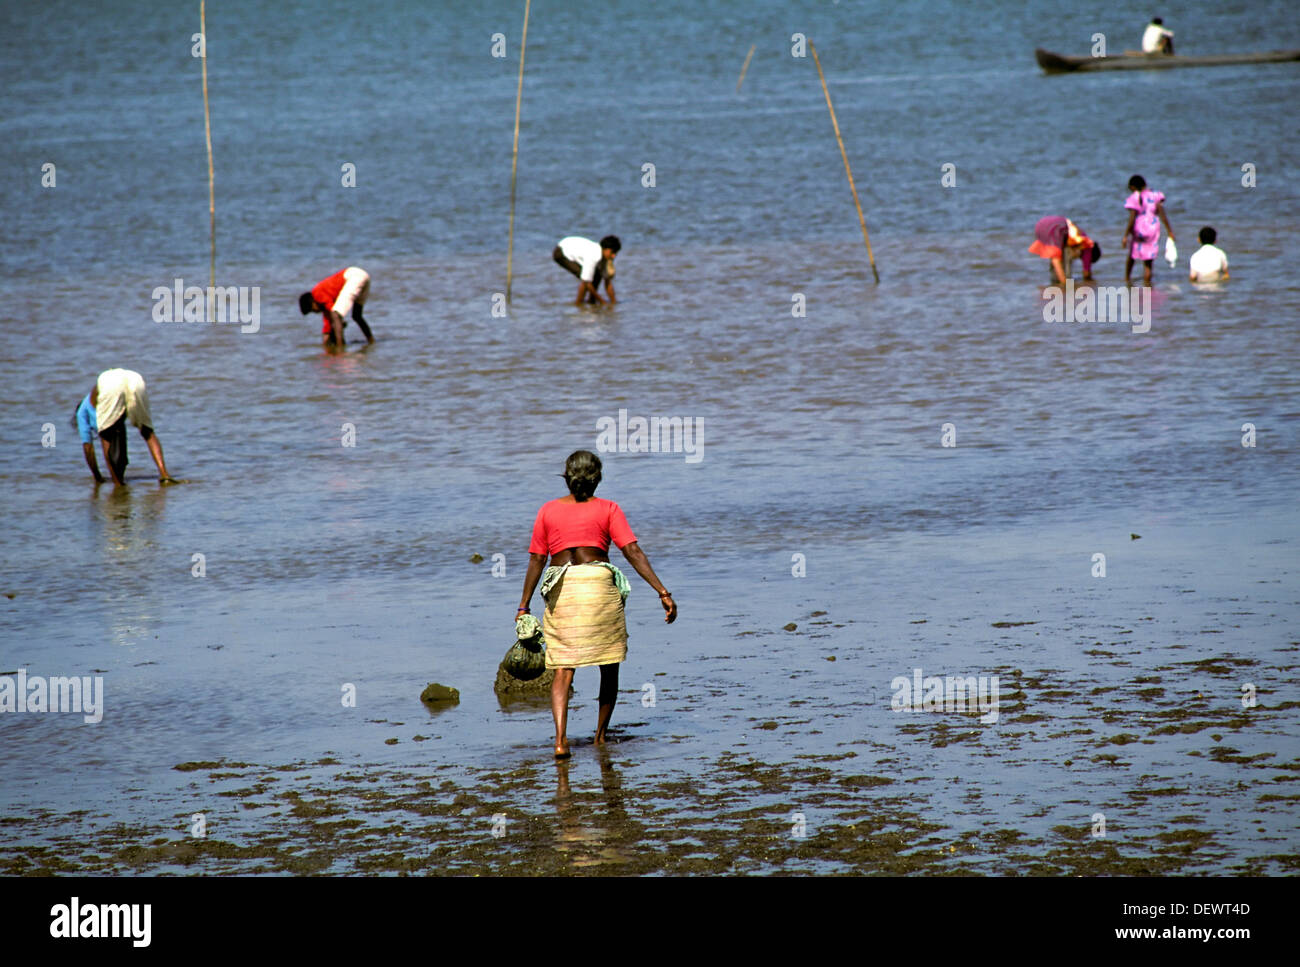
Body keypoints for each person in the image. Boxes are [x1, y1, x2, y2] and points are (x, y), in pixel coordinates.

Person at [517, 450, 676, 758]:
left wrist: (523, 605)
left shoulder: (547, 510)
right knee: (609, 665)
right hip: (599, 587)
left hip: (563, 590)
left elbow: (537, 559)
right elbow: (632, 552)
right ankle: (600, 737)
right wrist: (662, 592)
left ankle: (560, 741)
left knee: (563, 669)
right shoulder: (609, 508)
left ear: (567, 478)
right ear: (597, 478)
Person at [71, 368, 174, 485]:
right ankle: (165, 475)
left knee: (106, 437)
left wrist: (97, 477)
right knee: (147, 431)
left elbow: (88, 448)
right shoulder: (96, 400)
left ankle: (118, 484)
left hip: (111, 385)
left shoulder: (82, 413)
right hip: (135, 379)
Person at [298, 267, 373, 350]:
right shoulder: (323, 301)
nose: (316, 312)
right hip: (364, 276)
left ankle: (341, 349)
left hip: (353, 277)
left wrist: (338, 325)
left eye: (313, 310)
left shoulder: (317, 294)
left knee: (335, 315)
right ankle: (371, 341)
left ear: (313, 303)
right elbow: (327, 322)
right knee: (357, 315)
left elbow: (333, 314)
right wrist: (326, 342)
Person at [1122, 175, 1175, 284]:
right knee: (1148, 261)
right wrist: (1170, 231)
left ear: (1132, 187)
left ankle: (1127, 280)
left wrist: (1126, 235)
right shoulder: (1156, 195)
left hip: (1139, 229)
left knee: (1132, 255)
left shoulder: (1135, 197)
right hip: (1153, 229)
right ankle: (1147, 284)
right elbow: (1162, 215)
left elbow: (1132, 218)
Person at [1029, 216, 1098, 285]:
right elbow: (1086, 273)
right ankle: (1064, 283)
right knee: (1063, 260)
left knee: (1057, 257)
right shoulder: (1088, 247)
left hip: (1040, 226)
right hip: (1055, 228)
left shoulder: (1077, 236)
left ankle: (1055, 282)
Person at [553, 235, 619, 306]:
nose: (614, 256)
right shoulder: (593, 256)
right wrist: (602, 301)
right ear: (605, 249)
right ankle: (578, 304)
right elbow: (586, 282)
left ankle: (591, 302)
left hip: (571, 247)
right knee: (585, 278)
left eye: (615, 253)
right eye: (612, 252)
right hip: (561, 252)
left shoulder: (604, 256)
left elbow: (607, 281)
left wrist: (614, 302)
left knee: (597, 275)